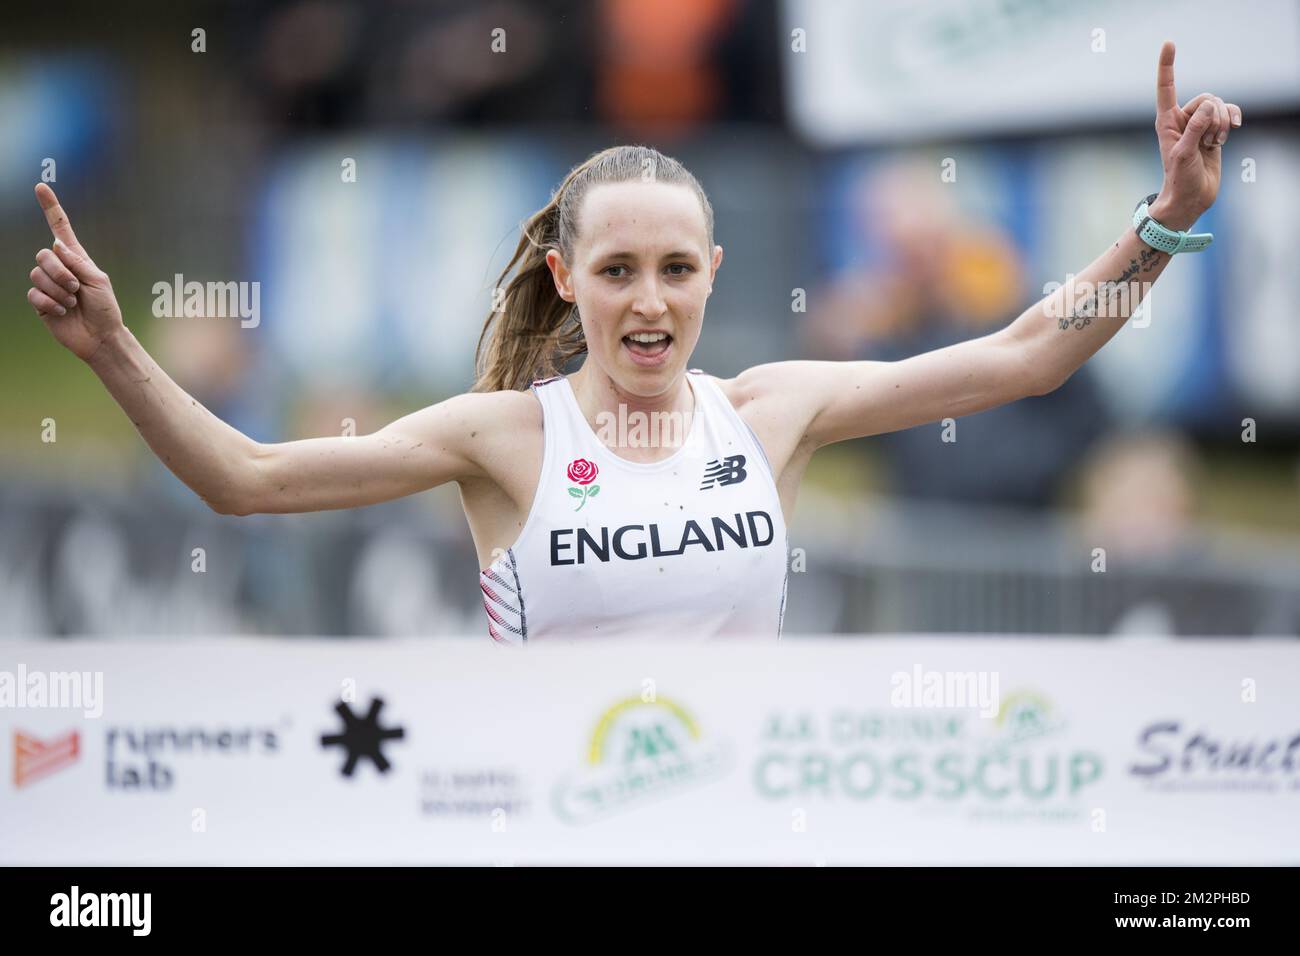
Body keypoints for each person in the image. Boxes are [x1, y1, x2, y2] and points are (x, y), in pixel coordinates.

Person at [25, 43, 1241, 643]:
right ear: (567, 279)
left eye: (673, 270)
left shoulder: (773, 408)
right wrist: (114, 350)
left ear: (712, 275)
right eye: (616, 271)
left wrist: (1164, 221)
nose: (648, 301)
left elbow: (1028, 352)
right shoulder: (500, 435)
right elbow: (247, 480)